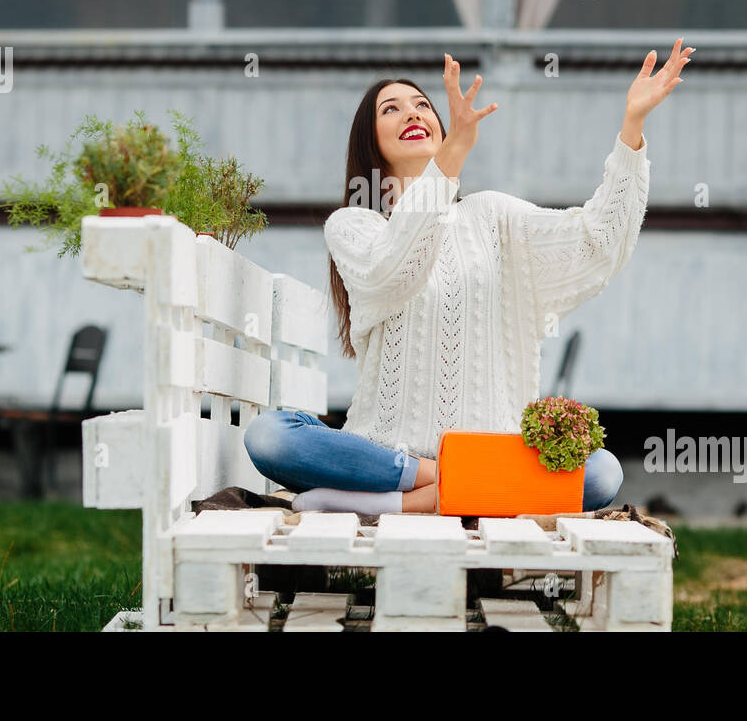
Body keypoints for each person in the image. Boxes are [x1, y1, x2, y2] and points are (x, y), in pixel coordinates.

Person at [245, 40, 693, 515]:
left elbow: (597, 241)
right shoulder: (355, 226)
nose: (411, 114)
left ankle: (398, 505)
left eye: (421, 105)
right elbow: (394, 272)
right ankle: (443, 486)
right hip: (388, 454)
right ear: (370, 140)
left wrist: (632, 129)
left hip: (492, 448)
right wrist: (451, 160)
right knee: (270, 436)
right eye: (390, 109)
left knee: (602, 471)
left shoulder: (492, 217)